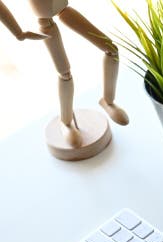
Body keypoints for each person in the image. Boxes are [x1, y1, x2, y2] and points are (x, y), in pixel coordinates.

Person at [0, 1, 128, 147]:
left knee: (111, 49)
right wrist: (18, 33)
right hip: (46, 24)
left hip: (66, 11)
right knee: (65, 74)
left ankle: (108, 101)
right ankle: (66, 122)